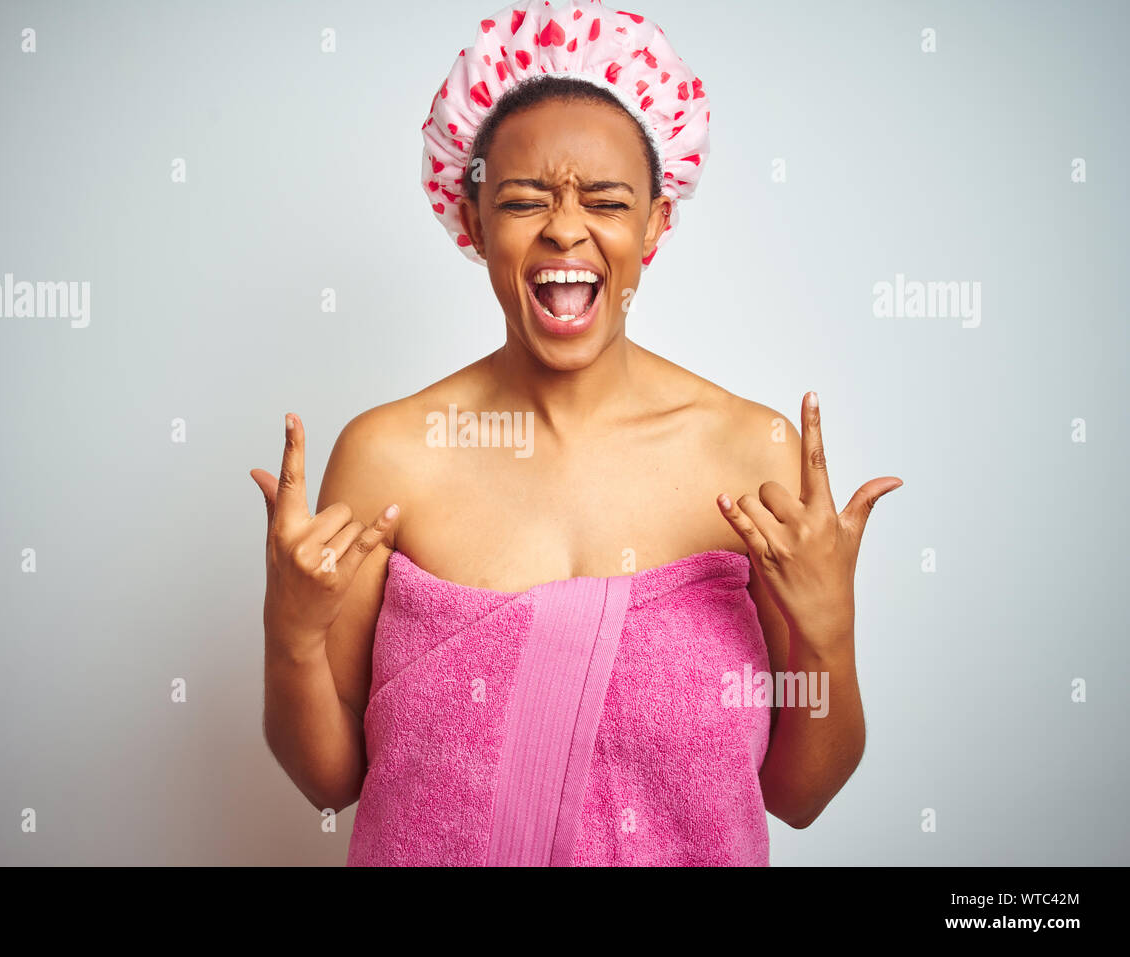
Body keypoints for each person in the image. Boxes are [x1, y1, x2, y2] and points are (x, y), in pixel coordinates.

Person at [251, 0, 901, 865]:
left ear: (654, 227)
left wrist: (829, 632)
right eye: (523, 200)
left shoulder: (753, 456)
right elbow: (329, 780)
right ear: (474, 223)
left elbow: (800, 795)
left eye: (606, 199)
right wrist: (289, 635)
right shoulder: (387, 457)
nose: (565, 226)